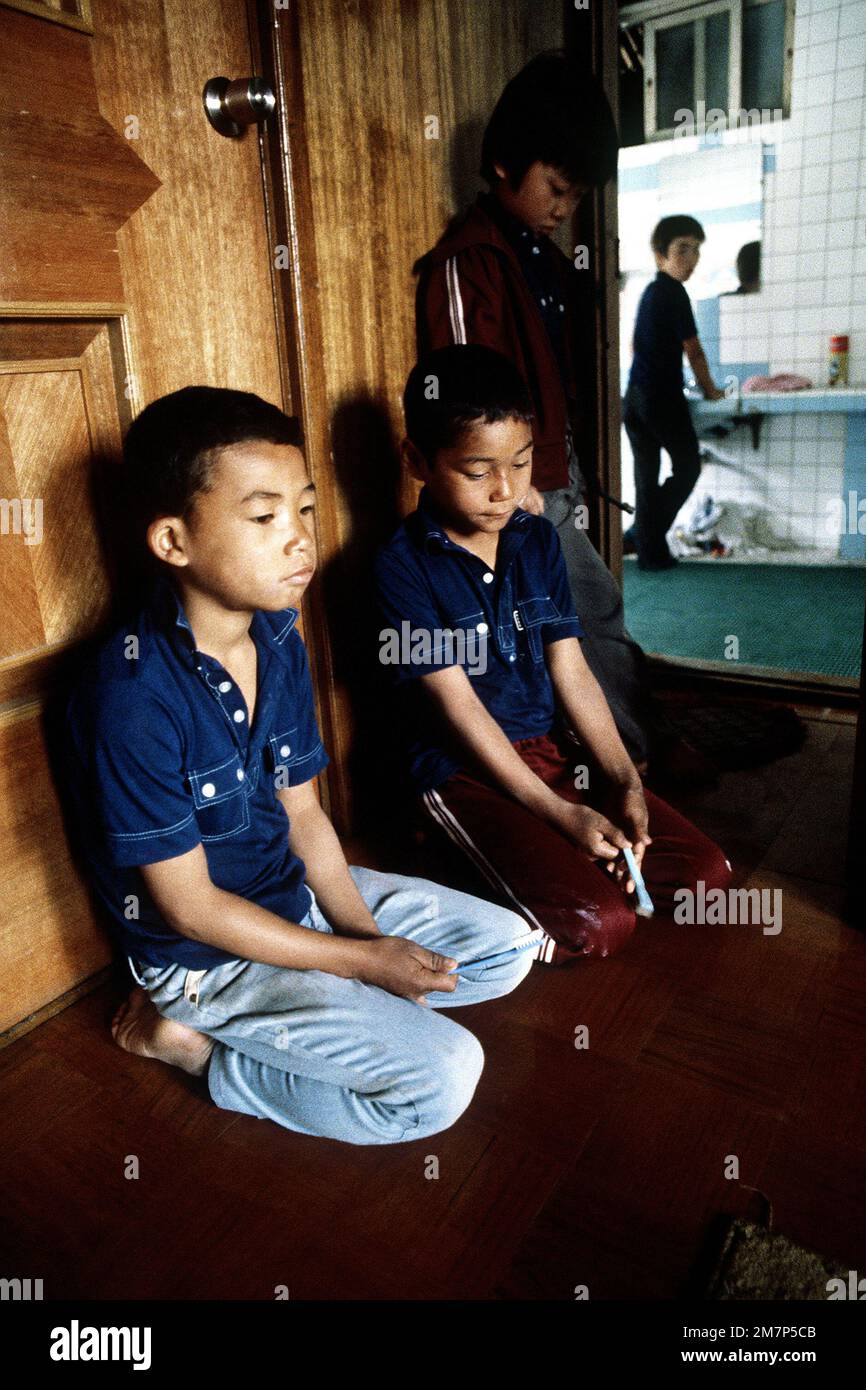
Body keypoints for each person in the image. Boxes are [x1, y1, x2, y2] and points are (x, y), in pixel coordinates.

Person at [62, 386, 534, 1145]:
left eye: (305, 509)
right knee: (443, 1082)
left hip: (298, 905)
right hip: (207, 957)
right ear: (173, 542)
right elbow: (190, 909)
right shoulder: (130, 694)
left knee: (510, 946)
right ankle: (193, 1046)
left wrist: (364, 939)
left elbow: (305, 815)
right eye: (264, 516)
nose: (300, 539)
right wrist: (359, 964)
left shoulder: (279, 636)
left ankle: (337, 986)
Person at [375, 346, 732, 966]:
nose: (506, 490)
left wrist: (623, 781)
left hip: (550, 751)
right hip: (464, 772)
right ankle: (456, 858)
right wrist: (562, 815)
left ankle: (545, 856)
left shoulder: (536, 539)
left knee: (707, 876)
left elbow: (571, 667)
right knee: (600, 927)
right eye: (477, 470)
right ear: (417, 461)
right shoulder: (401, 567)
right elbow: (458, 705)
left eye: (520, 463)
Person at [414, 49, 657, 769]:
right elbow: (463, 394)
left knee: (575, 620)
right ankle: (634, 764)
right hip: (520, 481)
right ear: (501, 165)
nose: (563, 208)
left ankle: (616, 754)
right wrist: (512, 488)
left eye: (576, 195)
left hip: (557, 464)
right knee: (589, 610)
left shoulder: (545, 264)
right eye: (555, 187)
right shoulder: (470, 263)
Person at [622, 215, 725, 570]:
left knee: (646, 479)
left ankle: (648, 550)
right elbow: (693, 350)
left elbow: (635, 347)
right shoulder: (674, 292)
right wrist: (711, 390)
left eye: (696, 250)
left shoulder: (650, 292)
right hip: (660, 399)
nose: (691, 258)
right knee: (688, 466)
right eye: (683, 248)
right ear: (659, 254)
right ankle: (645, 536)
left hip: (634, 398)